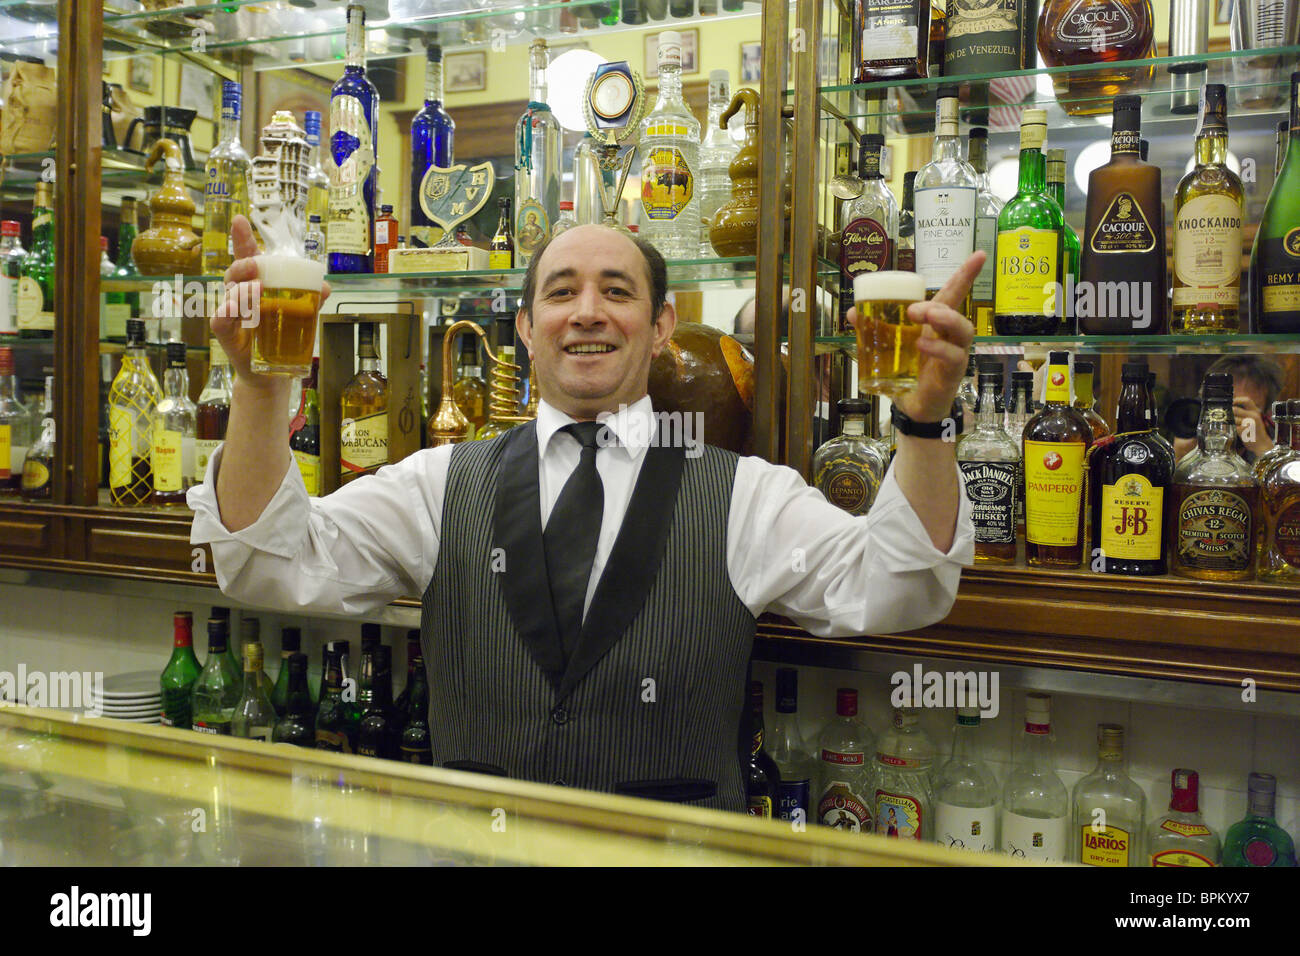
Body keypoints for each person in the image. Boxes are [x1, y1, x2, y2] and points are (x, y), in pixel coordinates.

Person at [190, 215, 978, 812]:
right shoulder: (437, 484)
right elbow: (268, 563)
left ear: (662, 327)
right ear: (528, 330)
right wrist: (260, 387)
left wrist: (925, 423)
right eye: (561, 292)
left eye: (618, 292)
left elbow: (901, 586)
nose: (588, 312)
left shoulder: (743, 494)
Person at [1172, 356, 1284, 464]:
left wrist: (1263, 448)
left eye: (1239, 408)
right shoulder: (1192, 431)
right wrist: (1181, 458)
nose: (1225, 416)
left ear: (1264, 416)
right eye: (1217, 405)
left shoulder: (1278, 442)